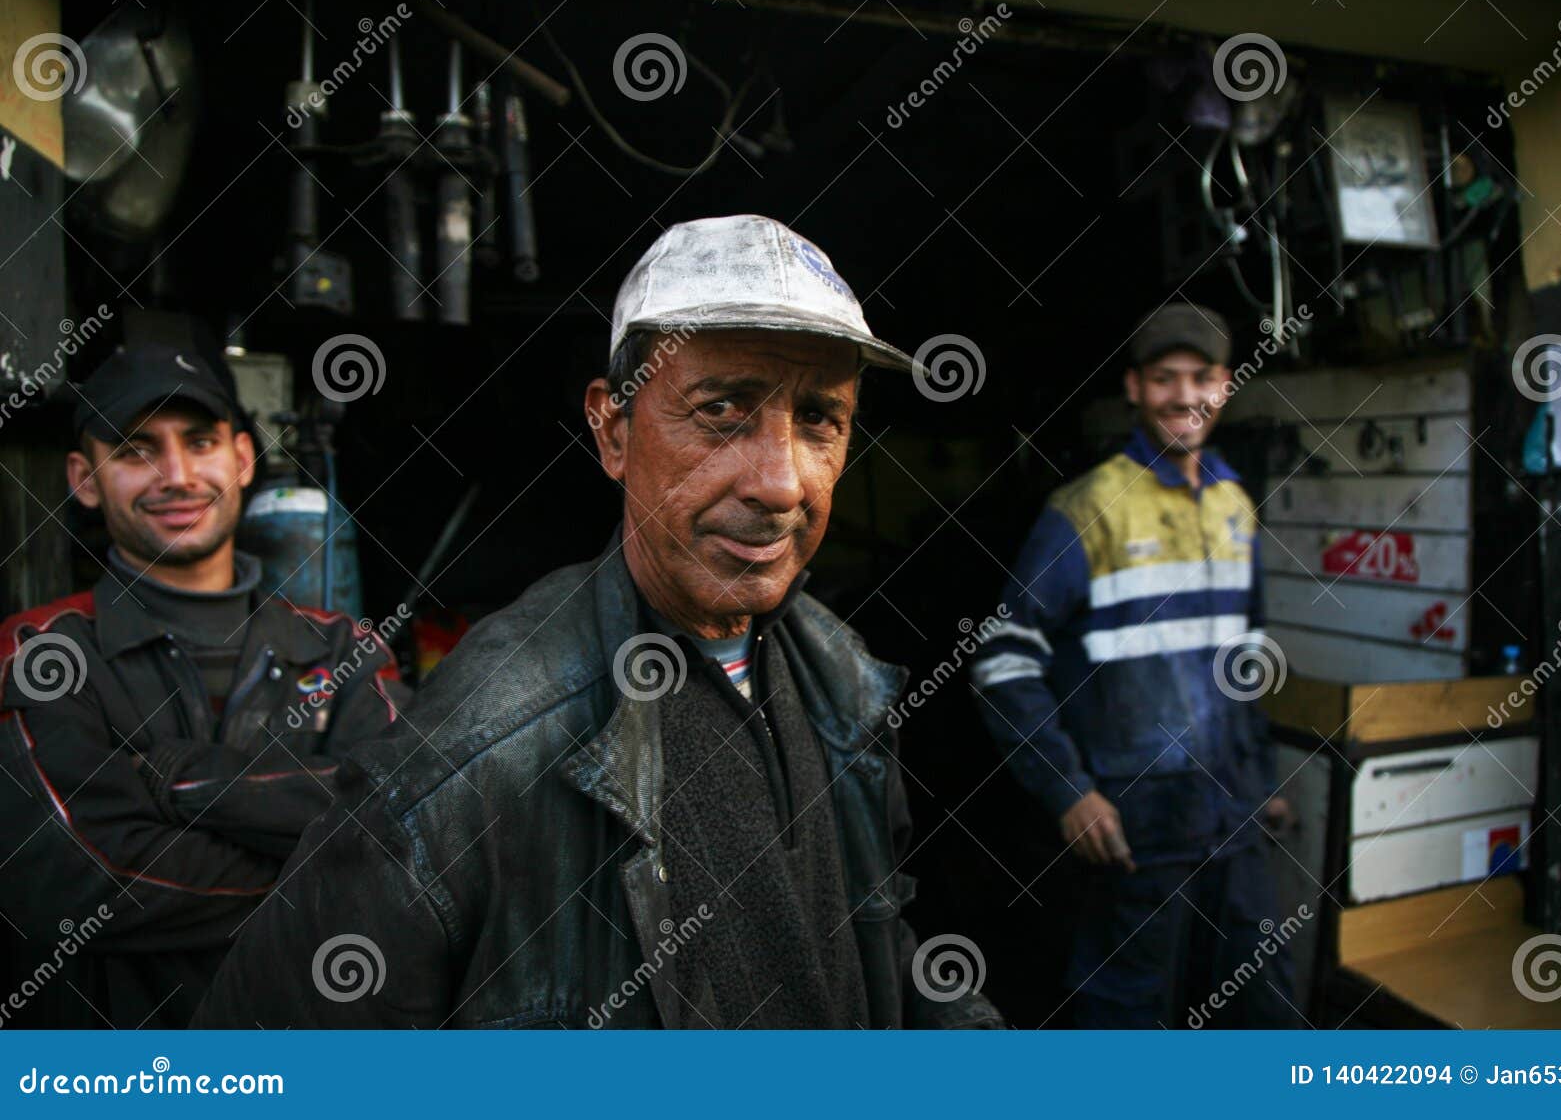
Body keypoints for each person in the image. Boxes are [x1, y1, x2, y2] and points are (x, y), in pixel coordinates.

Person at [192, 215, 1003, 1029]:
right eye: (722, 408)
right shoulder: (480, 751)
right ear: (613, 429)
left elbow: (866, 942)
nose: (781, 481)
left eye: (820, 418)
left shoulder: (845, 678)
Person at [0, 344, 406, 1028]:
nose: (178, 475)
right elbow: (78, 881)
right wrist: (319, 870)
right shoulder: (37, 653)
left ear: (243, 458)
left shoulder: (346, 649)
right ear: (85, 478)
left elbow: (403, 825)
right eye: (136, 450)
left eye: (200, 442)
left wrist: (180, 782)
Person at [971, 302, 1297, 1028]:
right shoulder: (1086, 508)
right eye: (1164, 378)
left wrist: (1261, 778)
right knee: (1126, 1012)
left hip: (1232, 809)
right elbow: (1001, 657)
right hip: (1134, 821)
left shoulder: (1235, 504)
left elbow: (1244, 654)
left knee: (1262, 1001)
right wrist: (1069, 790)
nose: (1185, 395)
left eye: (1202, 377)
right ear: (1134, 388)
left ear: (1225, 385)